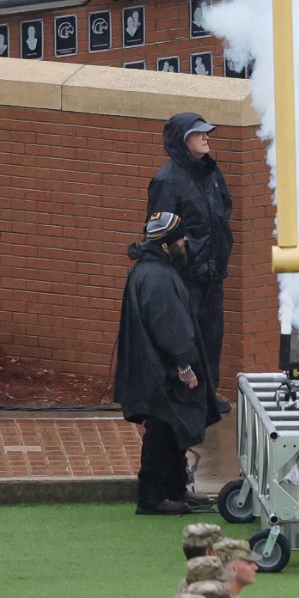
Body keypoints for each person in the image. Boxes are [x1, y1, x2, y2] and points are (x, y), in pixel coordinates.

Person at [114, 212, 212, 517]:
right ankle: (153, 497)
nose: (185, 242)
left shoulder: (152, 269)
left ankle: (173, 489)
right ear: (168, 244)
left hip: (155, 367)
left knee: (172, 428)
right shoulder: (157, 276)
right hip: (161, 371)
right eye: (180, 238)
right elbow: (169, 326)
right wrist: (184, 367)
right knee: (161, 431)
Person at [147, 113, 234, 407]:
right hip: (185, 276)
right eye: (198, 134)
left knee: (212, 338)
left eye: (207, 133)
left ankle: (209, 394)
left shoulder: (211, 172)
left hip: (213, 273)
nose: (206, 137)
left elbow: (224, 208)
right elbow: (158, 230)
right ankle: (187, 396)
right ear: (182, 141)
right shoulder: (166, 181)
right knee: (185, 338)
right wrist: (186, 256)